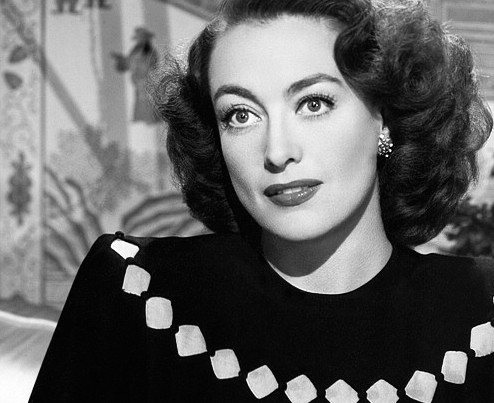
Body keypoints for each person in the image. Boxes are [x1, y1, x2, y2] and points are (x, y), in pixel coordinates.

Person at [30, 0, 494, 402]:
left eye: (314, 103)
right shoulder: (133, 289)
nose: (276, 151)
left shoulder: (481, 316)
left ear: (385, 118)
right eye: (241, 115)